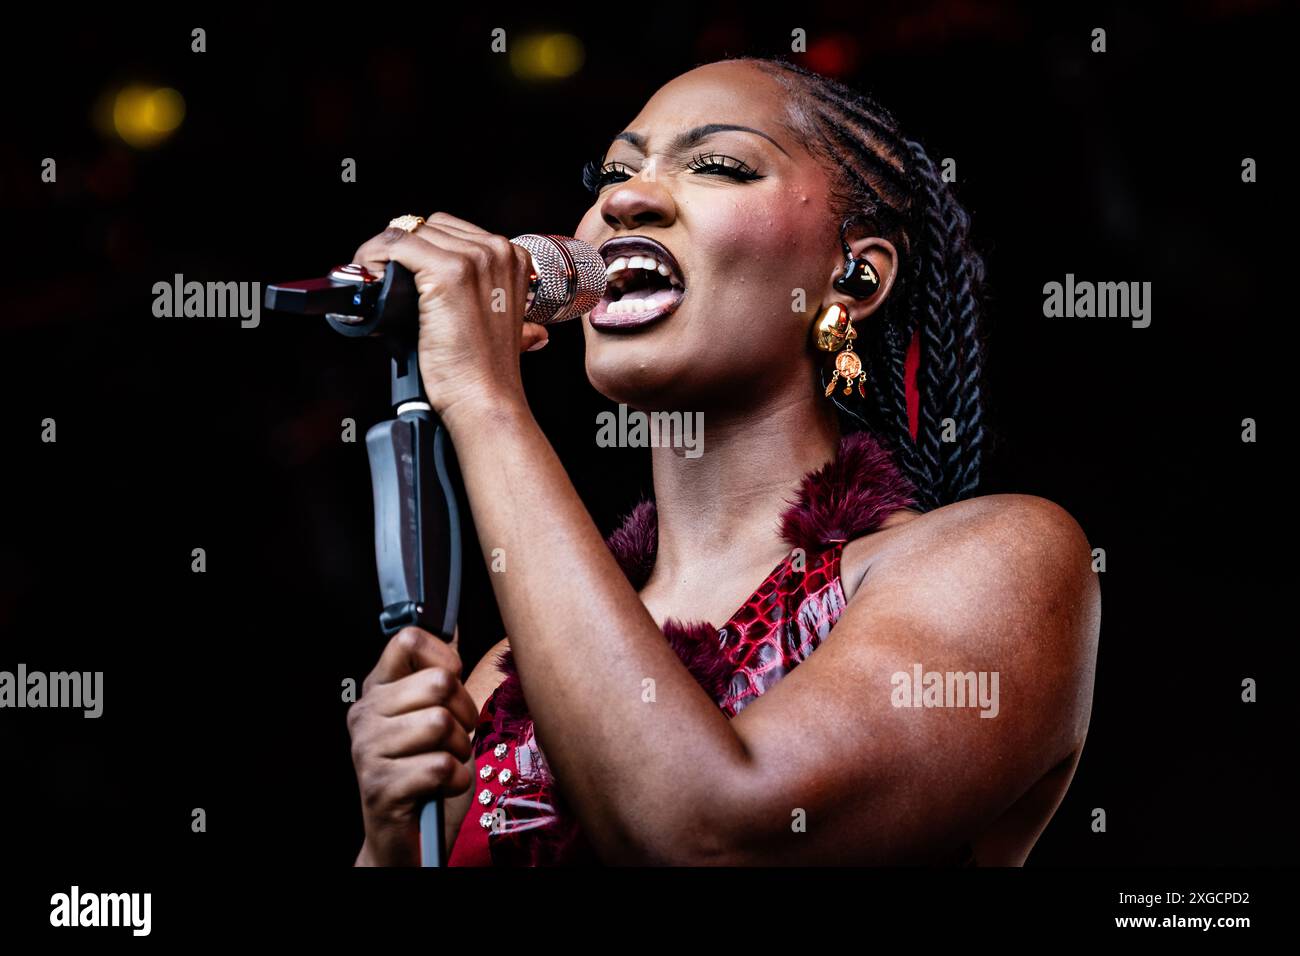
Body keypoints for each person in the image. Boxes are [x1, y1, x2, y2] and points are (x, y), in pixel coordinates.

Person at [345, 56, 1101, 866]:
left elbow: (710, 838)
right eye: (615, 172)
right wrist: (391, 848)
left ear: (855, 274)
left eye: (717, 165)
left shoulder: (1004, 563)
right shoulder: (507, 679)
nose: (621, 198)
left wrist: (485, 401)